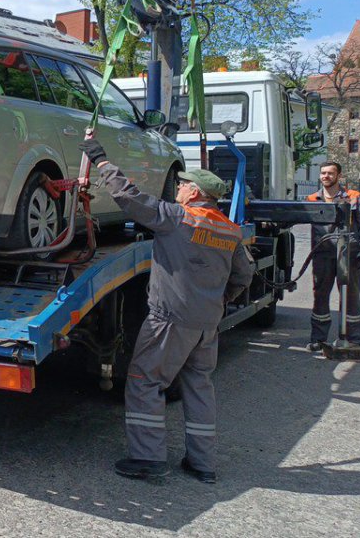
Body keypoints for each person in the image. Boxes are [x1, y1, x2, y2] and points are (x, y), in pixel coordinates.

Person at [79, 139, 253, 484]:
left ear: (196, 193)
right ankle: (202, 464)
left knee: (145, 381)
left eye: (183, 185)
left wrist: (101, 160)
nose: (179, 188)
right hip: (206, 325)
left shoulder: (177, 219)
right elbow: (244, 276)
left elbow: (129, 197)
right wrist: (218, 302)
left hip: (170, 320)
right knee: (199, 386)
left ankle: (147, 457)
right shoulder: (229, 230)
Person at [306, 161, 360, 352]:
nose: (326, 176)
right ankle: (318, 339)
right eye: (323, 173)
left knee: (351, 296)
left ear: (338, 176)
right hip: (322, 255)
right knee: (320, 295)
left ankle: (354, 340)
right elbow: (295, 217)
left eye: (330, 173)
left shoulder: (353, 197)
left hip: (349, 255)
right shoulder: (312, 199)